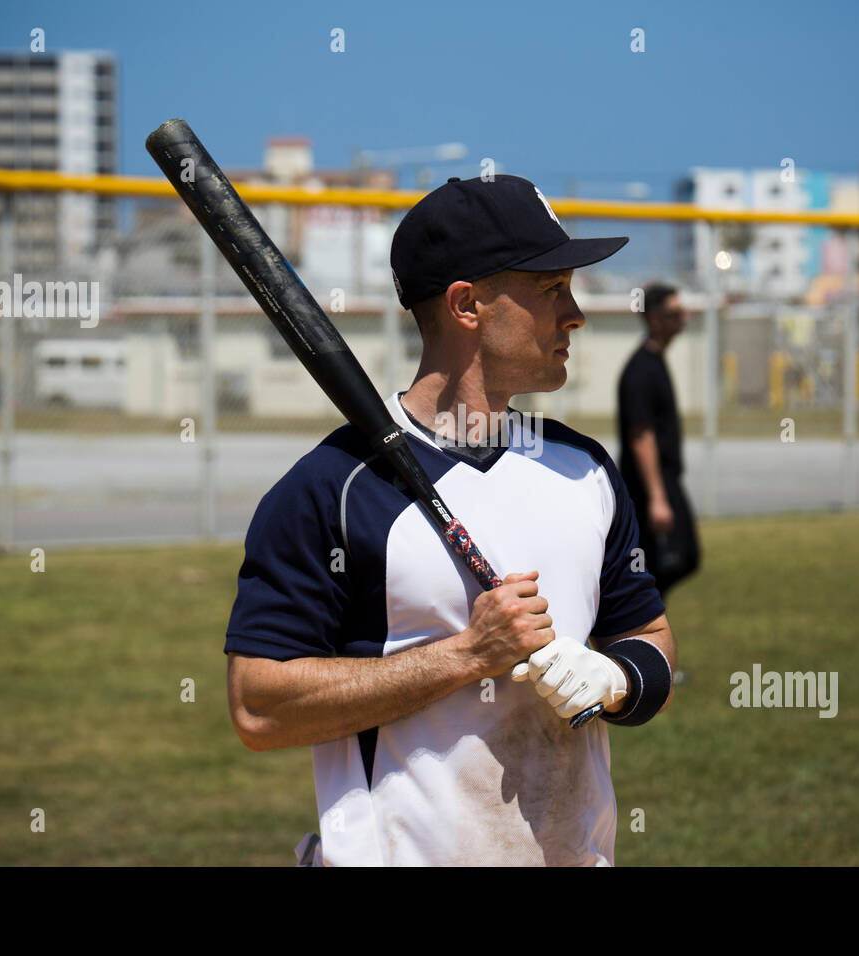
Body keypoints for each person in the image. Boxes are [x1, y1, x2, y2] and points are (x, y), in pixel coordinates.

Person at [225, 174, 677, 866]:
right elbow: (259, 708)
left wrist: (614, 681)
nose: (577, 313)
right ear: (467, 305)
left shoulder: (584, 470)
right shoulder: (334, 489)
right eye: (552, 288)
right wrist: (468, 655)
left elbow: (650, 640)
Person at [617, 283, 700, 597]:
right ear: (654, 318)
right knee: (662, 565)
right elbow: (641, 436)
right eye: (675, 313)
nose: (684, 318)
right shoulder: (640, 370)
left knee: (679, 560)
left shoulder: (656, 361)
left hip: (665, 480)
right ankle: (630, 629)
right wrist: (657, 498)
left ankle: (644, 621)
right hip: (649, 484)